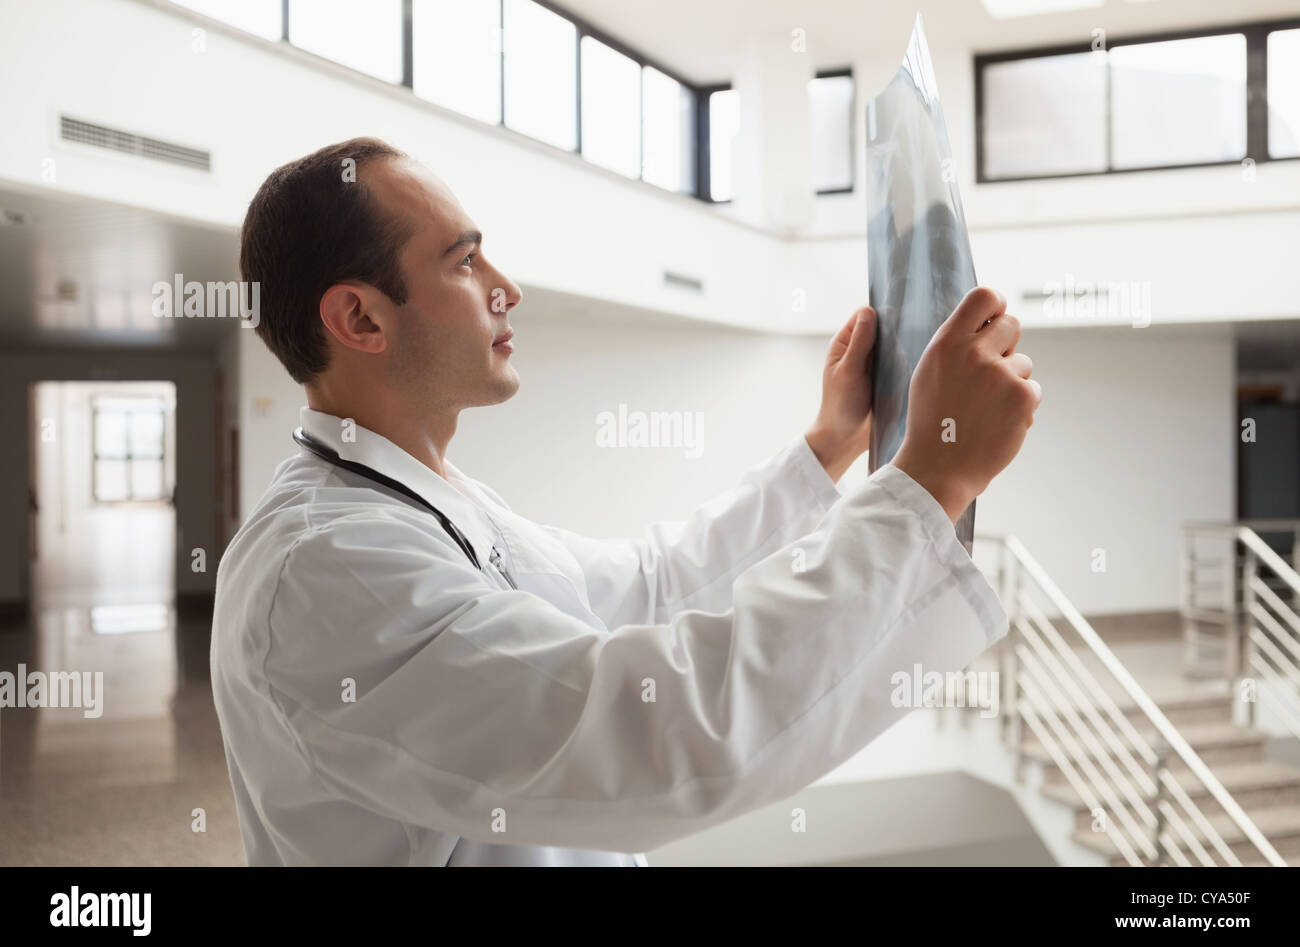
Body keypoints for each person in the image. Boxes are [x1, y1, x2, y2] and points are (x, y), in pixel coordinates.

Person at [210, 136, 1041, 866]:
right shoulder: (326, 569)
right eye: (464, 262)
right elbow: (662, 732)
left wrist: (829, 448)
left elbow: (645, 590)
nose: (507, 288)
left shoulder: (424, 502)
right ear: (360, 317)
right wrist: (931, 484)